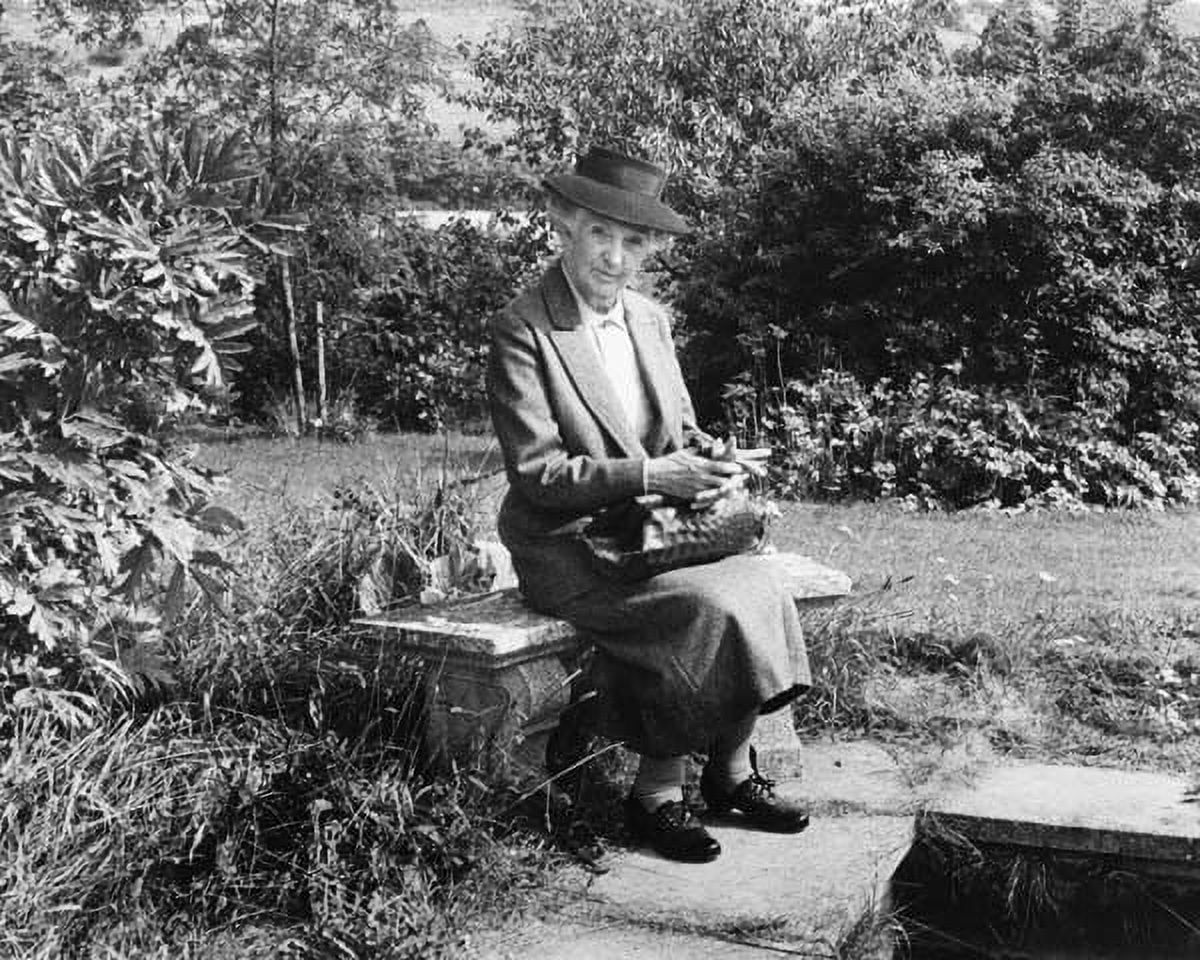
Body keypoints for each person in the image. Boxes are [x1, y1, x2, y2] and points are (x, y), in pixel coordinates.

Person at [486, 146, 811, 863]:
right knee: (706, 605)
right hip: (568, 545)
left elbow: (678, 431)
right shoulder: (524, 328)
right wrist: (653, 474)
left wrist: (710, 457)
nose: (614, 257)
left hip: (652, 528)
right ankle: (656, 794)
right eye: (600, 233)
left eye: (633, 242)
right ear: (563, 224)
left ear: (650, 249)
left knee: (761, 585)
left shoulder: (649, 320)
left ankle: (731, 775)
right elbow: (539, 474)